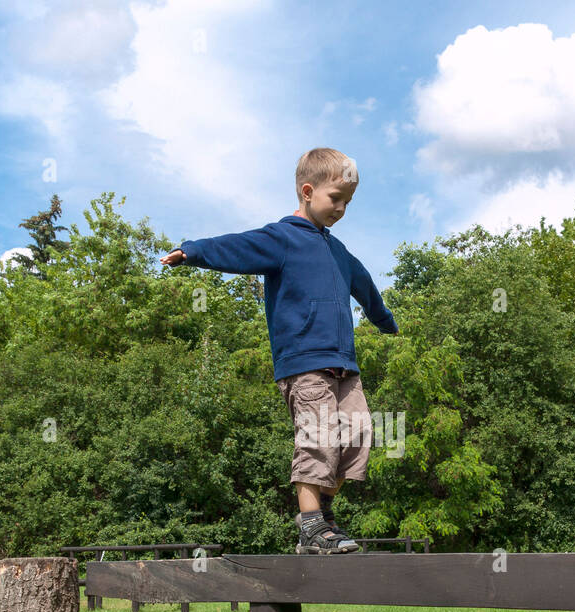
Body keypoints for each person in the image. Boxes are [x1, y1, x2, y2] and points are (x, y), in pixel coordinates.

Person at [160, 147, 399, 554]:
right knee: (318, 439)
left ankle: (320, 518)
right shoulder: (282, 238)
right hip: (304, 364)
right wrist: (193, 251)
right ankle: (311, 527)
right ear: (308, 191)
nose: (342, 208)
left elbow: (366, 286)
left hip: (344, 365)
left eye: (348, 202)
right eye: (335, 199)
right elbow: (237, 246)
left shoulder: (339, 252)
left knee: (358, 436)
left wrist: (384, 320)